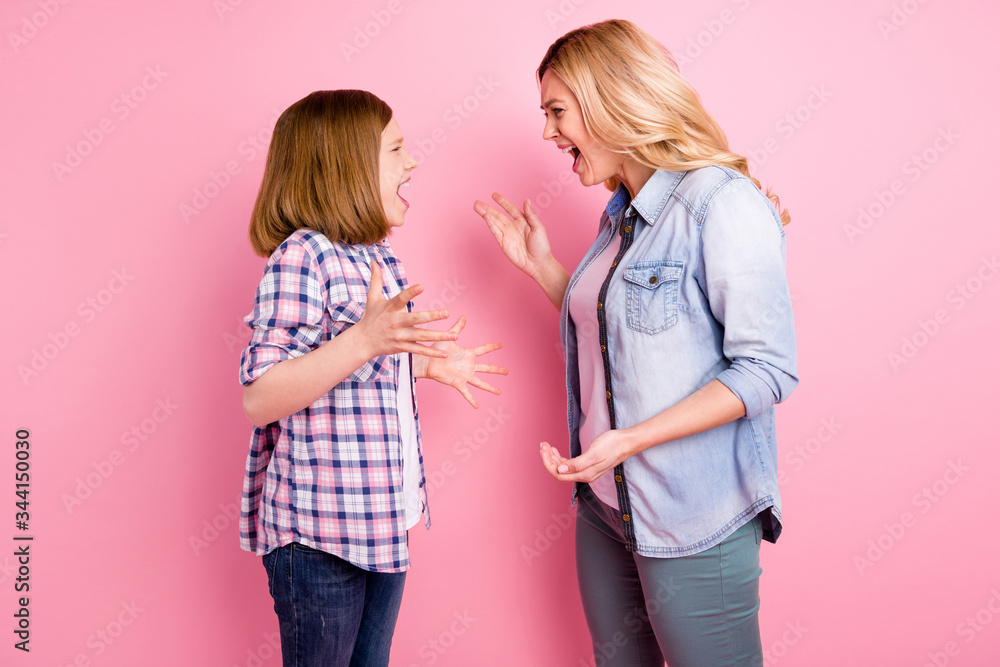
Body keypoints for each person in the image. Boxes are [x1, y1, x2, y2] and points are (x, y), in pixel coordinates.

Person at [473, 19, 798, 666]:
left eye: (557, 111)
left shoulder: (720, 203)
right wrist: (542, 268)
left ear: (608, 98)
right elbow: (622, 330)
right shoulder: (620, 212)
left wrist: (631, 439)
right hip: (606, 509)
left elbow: (766, 371)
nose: (547, 132)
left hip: (692, 517)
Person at [239, 89, 507, 667]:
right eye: (397, 149)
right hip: (319, 534)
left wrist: (424, 364)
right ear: (347, 166)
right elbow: (262, 396)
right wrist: (363, 340)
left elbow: (359, 369)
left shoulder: (378, 256)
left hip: (381, 517)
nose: (412, 163)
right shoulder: (303, 255)